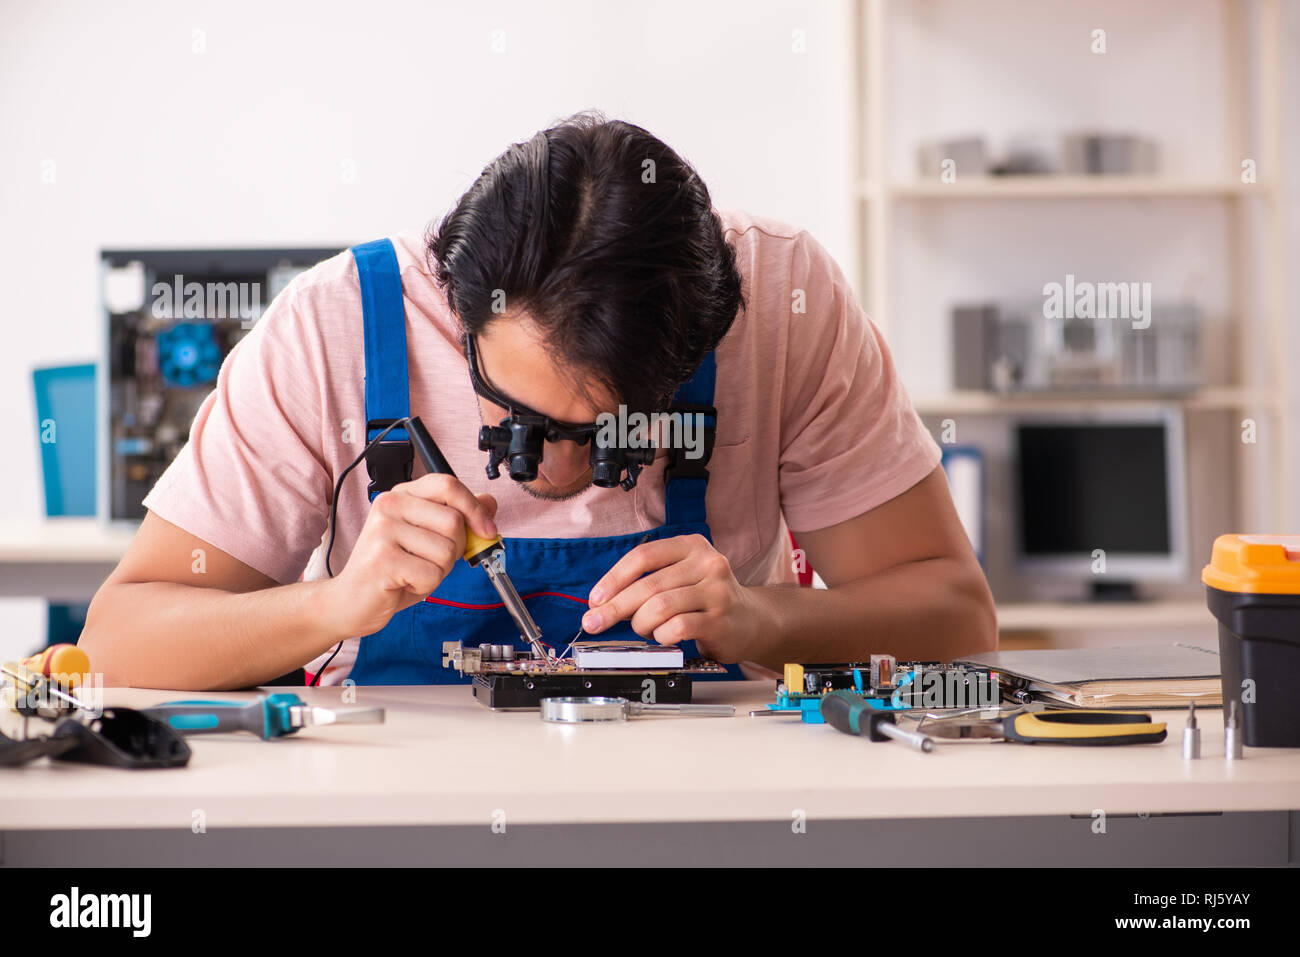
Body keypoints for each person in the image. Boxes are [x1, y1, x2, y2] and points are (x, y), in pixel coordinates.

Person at [81, 112, 995, 689]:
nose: (559, 474)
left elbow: (956, 615)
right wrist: (332, 603)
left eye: (614, 440)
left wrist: (764, 619)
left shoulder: (784, 296)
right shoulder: (336, 326)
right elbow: (120, 640)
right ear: (458, 316)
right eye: (519, 427)